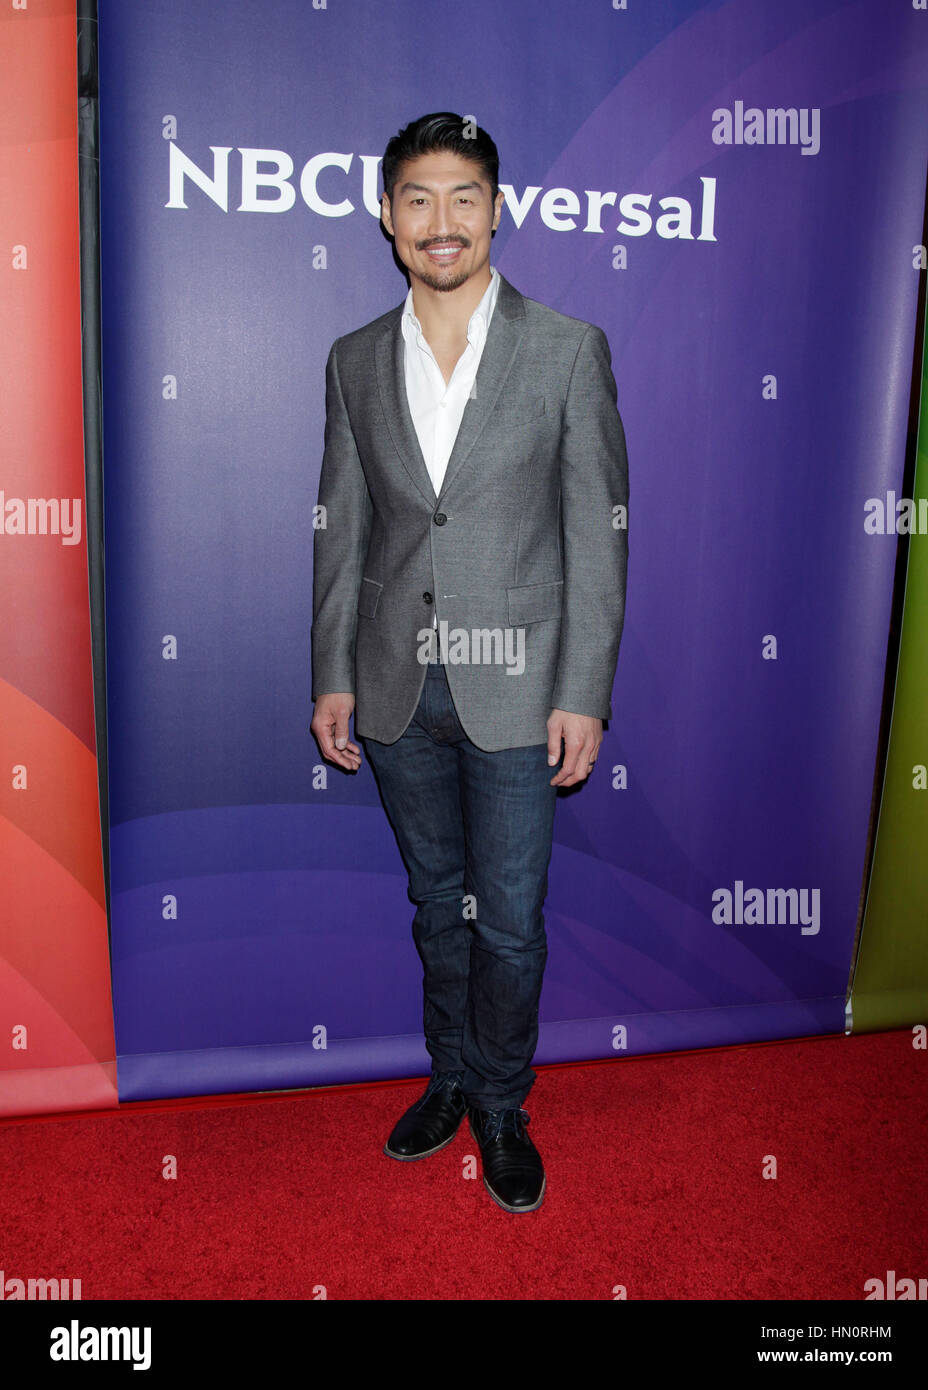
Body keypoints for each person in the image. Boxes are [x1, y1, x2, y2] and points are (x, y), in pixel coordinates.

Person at [310, 112, 628, 1214]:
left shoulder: (567, 349)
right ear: (386, 216)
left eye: (463, 197)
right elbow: (342, 532)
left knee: (512, 920)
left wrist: (584, 690)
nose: (440, 221)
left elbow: (599, 534)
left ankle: (501, 1099)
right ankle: (447, 1073)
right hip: (397, 688)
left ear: (498, 209)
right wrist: (333, 673)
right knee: (433, 903)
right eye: (417, 199)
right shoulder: (354, 359)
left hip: (522, 689)